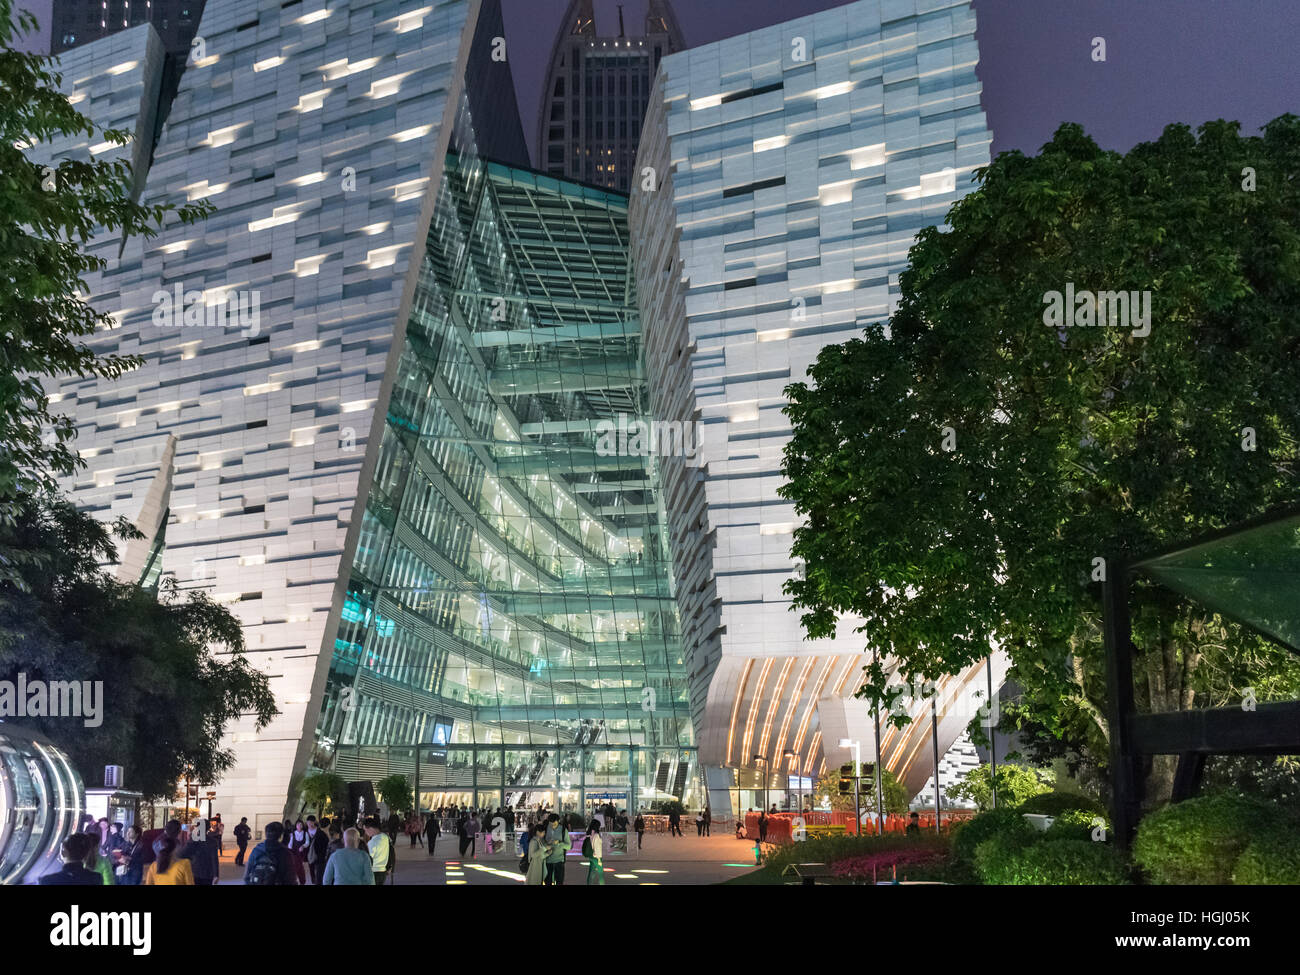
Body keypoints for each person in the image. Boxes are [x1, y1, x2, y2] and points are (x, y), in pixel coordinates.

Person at [179, 820, 220, 886]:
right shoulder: (213, 842)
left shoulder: (193, 839)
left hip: (194, 871)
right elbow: (214, 859)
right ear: (208, 828)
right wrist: (216, 874)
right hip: (208, 873)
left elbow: (184, 854)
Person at [365, 817, 391, 885]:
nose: (366, 833)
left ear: (371, 829)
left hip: (374, 871)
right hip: (383, 871)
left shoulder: (372, 842)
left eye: (366, 830)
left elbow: (368, 858)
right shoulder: (385, 837)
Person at [543, 813, 566, 885]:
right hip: (548, 859)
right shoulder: (545, 829)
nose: (553, 826)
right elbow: (541, 844)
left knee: (559, 881)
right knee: (548, 880)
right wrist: (547, 844)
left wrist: (559, 843)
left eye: (555, 824)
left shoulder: (563, 830)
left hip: (559, 860)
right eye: (551, 824)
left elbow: (568, 845)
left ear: (558, 821)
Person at [305, 815, 329, 885]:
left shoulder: (319, 832)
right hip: (313, 855)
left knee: (319, 872)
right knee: (313, 870)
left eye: (311, 822)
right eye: (308, 823)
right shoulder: (306, 832)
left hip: (318, 856)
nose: (309, 824)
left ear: (314, 822)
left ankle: (316, 880)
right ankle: (313, 880)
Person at [286, 819, 308, 885]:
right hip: (294, 853)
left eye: (301, 824)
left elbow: (307, 842)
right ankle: (296, 880)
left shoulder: (305, 833)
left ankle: (302, 881)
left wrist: (303, 846)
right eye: (298, 824)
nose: (299, 826)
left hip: (302, 853)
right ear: (296, 826)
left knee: (301, 867)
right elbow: (290, 844)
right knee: (296, 867)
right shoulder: (293, 834)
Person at [584, 821, 604, 885]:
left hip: (591, 856)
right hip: (596, 857)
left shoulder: (589, 834)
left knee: (591, 873)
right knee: (600, 874)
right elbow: (597, 848)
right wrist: (599, 860)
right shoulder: (596, 835)